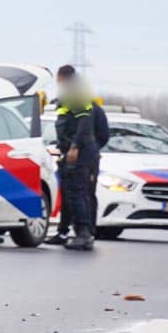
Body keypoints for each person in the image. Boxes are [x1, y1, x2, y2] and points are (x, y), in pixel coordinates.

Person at [52, 66, 105, 251]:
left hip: (80, 152)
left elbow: (85, 123)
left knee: (77, 191)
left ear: (62, 78)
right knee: (71, 192)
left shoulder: (77, 95)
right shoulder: (70, 96)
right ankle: (68, 232)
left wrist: (75, 147)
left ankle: (83, 234)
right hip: (73, 150)